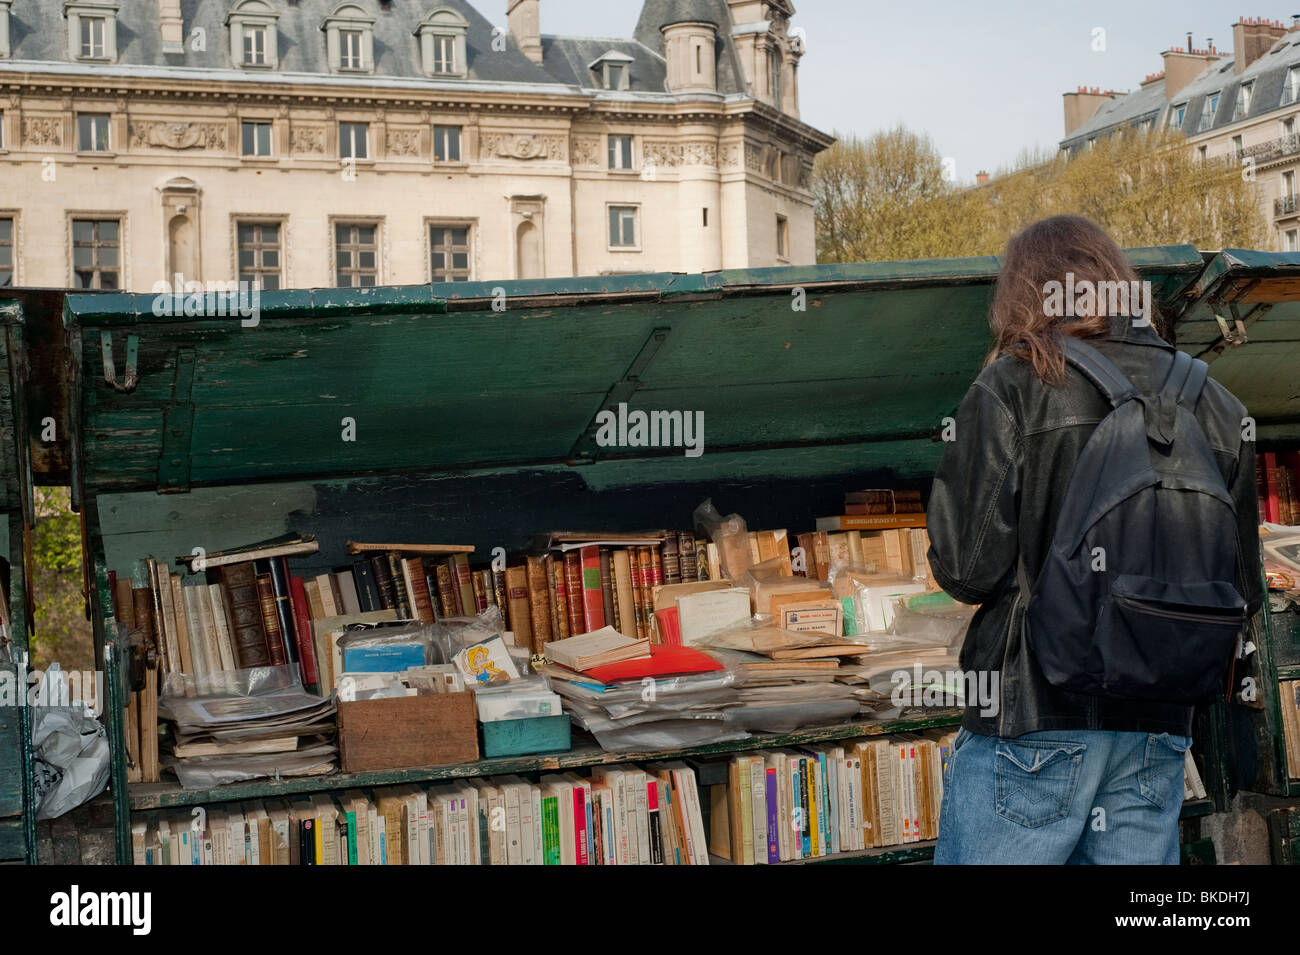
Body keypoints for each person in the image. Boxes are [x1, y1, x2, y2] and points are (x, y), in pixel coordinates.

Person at [926, 215, 1263, 865]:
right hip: (1156, 731)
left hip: (1032, 717)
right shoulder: (1216, 402)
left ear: (1023, 293)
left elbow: (967, 568)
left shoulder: (1014, 383)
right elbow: (1242, 588)